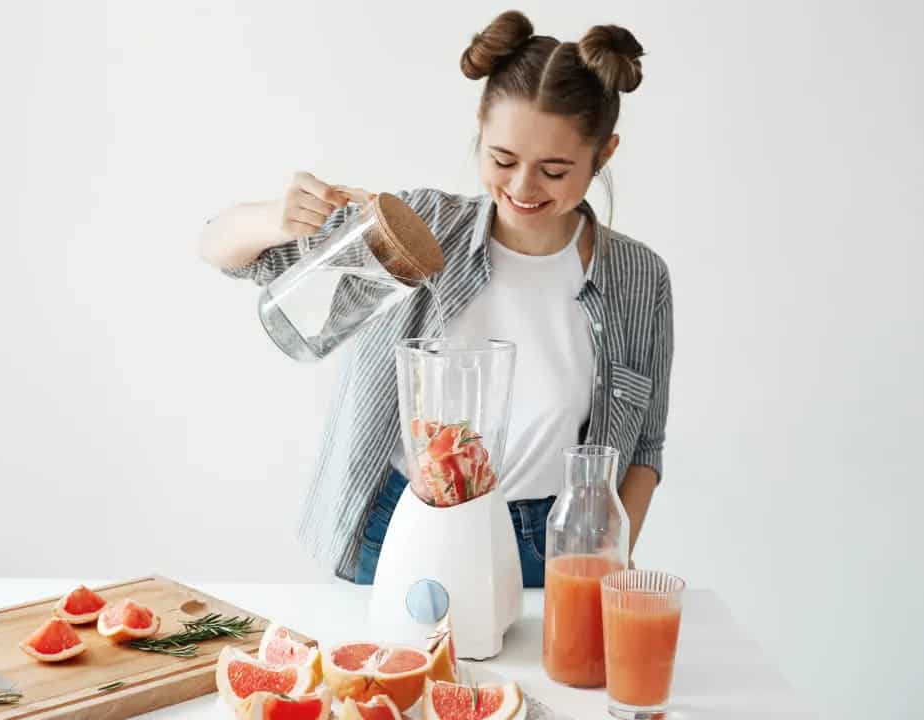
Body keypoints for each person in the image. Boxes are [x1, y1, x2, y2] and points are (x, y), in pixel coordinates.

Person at [200, 10, 672, 587]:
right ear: (479, 124)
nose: (522, 188)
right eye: (503, 160)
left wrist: (609, 558)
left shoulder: (640, 279)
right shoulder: (417, 227)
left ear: (604, 154)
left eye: (554, 170)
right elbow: (221, 249)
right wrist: (277, 218)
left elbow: (646, 444)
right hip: (393, 521)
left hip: (546, 545)